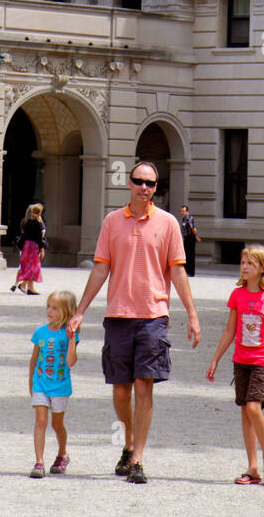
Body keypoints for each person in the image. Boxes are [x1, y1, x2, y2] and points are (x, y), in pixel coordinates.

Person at [68, 160, 200, 484]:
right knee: (120, 391)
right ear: (129, 183)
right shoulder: (112, 222)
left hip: (154, 316)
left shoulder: (168, 224)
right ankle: (128, 442)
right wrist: (81, 309)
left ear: (156, 188)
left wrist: (192, 315)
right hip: (118, 314)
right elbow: (100, 269)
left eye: (151, 183)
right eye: (139, 181)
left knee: (144, 385)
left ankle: (138, 457)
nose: (145, 187)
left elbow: (178, 272)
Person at [207, 245, 264, 484]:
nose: (244, 267)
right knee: (245, 411)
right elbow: (230, 330)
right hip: (240, 361)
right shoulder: (237, 295)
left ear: (263, 268)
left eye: (250, 263)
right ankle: (252, 468)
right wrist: (215, 359)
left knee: (254, 408)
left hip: (263, 360)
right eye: (243, 262)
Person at [27, 289, 79, 478]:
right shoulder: (40, 332)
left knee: (57, 425)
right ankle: (39, 462)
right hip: (41, 384)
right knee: (40, 421)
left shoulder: (68, 334)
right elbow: (33, 359)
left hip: (60, 387)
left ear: (66, 311)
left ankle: (62, 454)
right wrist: (31, 381)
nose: (50, 311)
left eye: (55, 308)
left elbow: (71, 361)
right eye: (48, 306)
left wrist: (72, 339)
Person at [13, 202, 46, 296]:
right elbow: (39, 239)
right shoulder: (38, 224)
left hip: (27, 247)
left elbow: (24, 236)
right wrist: (42, 249)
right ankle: (24, 285)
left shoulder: (28, 223)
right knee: (34, 267)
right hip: (33, 247)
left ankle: (30, 288)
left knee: (29, 267)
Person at [179, 205, 201, 277]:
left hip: (190, 238)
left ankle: (190, 272)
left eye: (184, 211)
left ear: (187, 211)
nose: (182, 213)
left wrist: (196, 236)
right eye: (181, 211)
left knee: (190, 255)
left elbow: (193, 228)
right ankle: (187, 271)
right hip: (186, 238)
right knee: (186, 255)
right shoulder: (184, 218)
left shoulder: (189, 218)